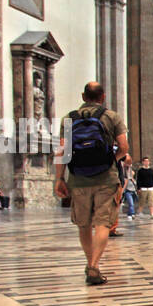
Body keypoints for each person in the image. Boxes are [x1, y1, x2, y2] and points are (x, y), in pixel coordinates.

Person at [54, 80, 127, 285]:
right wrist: (113, 160)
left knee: (83, 224)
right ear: (102, 97)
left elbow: (62, 151)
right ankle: (94, 265)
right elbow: (124, 146)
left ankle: (90, 263)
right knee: (103, 223)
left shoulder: (68, 119)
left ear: (83, 97)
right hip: (106, 178)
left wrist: (59, 178)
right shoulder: (111, 117)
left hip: (78, 178)